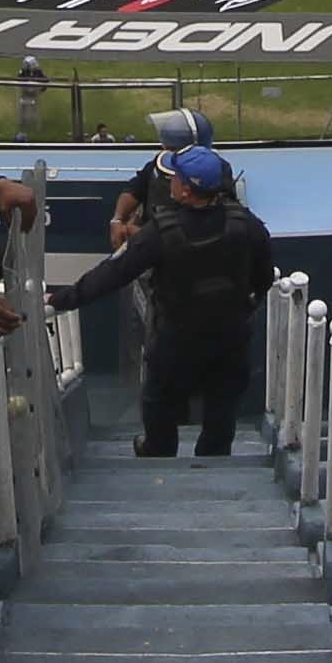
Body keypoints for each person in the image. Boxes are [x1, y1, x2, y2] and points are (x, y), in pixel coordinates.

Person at [53, 139, 275, 457]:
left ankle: (157, 453)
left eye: (174, 177)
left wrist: (62, 298)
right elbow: (263, 279)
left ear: (184, 189)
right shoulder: (249, 226)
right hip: (231, 338)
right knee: (222, 408)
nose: (169, 181)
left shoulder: (159, 232)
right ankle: (213, 461)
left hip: (177, 340)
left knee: (160, 404)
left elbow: (112, 275)